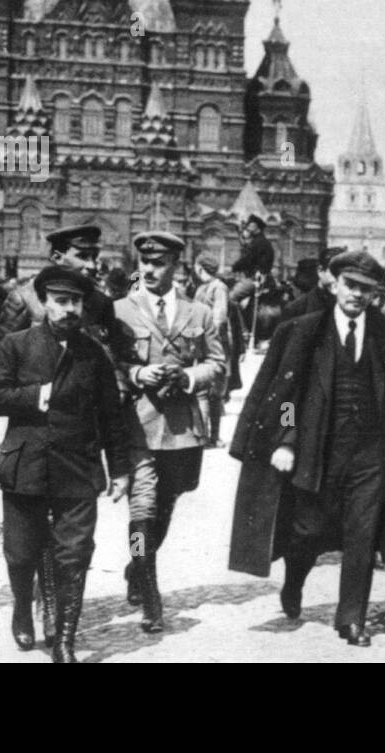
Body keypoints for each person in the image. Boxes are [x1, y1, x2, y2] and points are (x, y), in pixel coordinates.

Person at [228, 250, 385, 646]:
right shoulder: (305, 330)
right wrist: (285, 439)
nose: (357, 295)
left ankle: (351, 618)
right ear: (335, 284)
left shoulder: (383, 334)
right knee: (308, 530)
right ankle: (294, 580)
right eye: (351, 286)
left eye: (366, 290)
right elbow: (285, 397)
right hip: (315, 449)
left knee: (363, 534)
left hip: (369, 453)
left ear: (375, 294)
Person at [0, 224, 131, 648]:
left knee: (73, 550)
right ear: (58, 255)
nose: (93, 263)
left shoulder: (100, 305)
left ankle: (63, 635)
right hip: (31, 445)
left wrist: (121, 462)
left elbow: (112, 378)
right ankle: (26, 606)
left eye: (95, 255)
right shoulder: (22, 300)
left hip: (77, 447)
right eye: (83, 254)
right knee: (23, 551)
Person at [114, 233, 226, 633]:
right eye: (144, 261)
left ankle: (136, 567)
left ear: (176, 266)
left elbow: (218, 364)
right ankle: (151, 595)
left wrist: (189, 376)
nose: (148, 269)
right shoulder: (120, 311)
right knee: (142, 509)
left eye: (158, 262)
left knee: (167, 504)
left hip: (182, 429)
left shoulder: (199, 313)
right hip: (138, 426)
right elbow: (107, 364)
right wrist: (136, 372)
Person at [191, 251, 232, 449]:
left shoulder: (204, 288)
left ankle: (205, 435)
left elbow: (218, 317)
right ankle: (211, 437)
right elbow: (220, 318)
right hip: (216, 346)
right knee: (214, 393)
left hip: (204, 344)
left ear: (199, 268)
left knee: (206, 392)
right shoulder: (218, 287)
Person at [280, 246, 345, 322]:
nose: (340, 279)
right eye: (335, 273)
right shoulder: (297, 309)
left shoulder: (349, 307)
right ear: (320, 271)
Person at [229, 214, 275, 313]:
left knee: (232, 297)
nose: (248, 228)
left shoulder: (257, 243)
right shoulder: (261, 241)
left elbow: (247, 260)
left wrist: (233, 268)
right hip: (263, 278)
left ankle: (241, 327)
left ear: (256, 227)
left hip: (256, 280)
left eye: (251, 225)